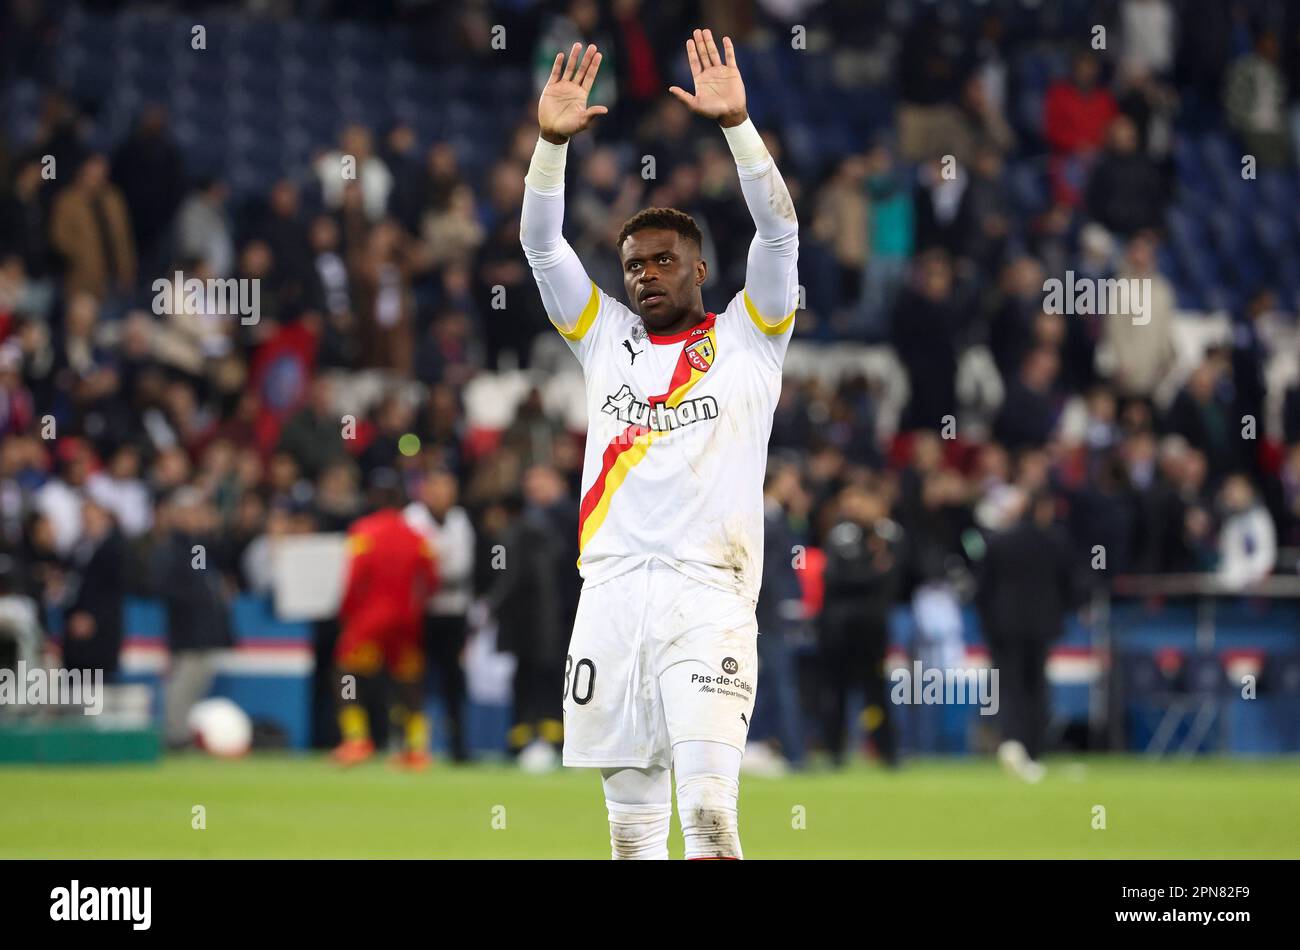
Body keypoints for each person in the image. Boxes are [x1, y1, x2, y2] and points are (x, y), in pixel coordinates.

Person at [519, 33, 799, 859]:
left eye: (664, 261)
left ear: (700, 269)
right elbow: (541, 245)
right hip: (608, 596)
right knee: (631, 835)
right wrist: (550, 147)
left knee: (710, 818)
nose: (644, 274)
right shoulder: (602, 336)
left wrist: (739, 128)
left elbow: (780, 236)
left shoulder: (752, 336)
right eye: (633, 264)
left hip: (707, 597)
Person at [332, 475, 439, 769]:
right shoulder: (417, 538)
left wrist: (346, 615)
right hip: (406, 622)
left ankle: (356, 740)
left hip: (369, 621)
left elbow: (354, 580)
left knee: (347, 677)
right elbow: (431, 580)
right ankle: (417, 749)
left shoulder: (363, 532)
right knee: (409, 684)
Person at [975, 490, 1077, 782]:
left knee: (1009, 687)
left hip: (1003, 627)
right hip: (1041, 626)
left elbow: (982, 589)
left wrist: (989, 623)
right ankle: (1033, 751)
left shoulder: (999, 541)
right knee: (1036, 688)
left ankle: (1011, 743)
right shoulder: (1055, 542)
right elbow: (1071, 585)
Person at [818, 484, 903, 768]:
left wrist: (870, 573)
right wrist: (874, 571)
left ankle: (886, 750)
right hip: (840, 629)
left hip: (872, 629)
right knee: (837, 691)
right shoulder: (840, 536)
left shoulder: (889, 534)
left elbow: (897, 576)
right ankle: (835, 751)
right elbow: (836, 578)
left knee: (875, 692)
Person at [403, 468, 476, 762]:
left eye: (448, 489)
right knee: (413, 679)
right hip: (419, 613)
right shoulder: (411, 519)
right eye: (437, 488)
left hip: (454, 612)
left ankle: (458, 748)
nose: (442, 495)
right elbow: (413, 567)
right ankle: (414, 745)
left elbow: (463, 565)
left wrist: (435, 569)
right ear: (424, 490)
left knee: (453, 681)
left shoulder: (459, 520)